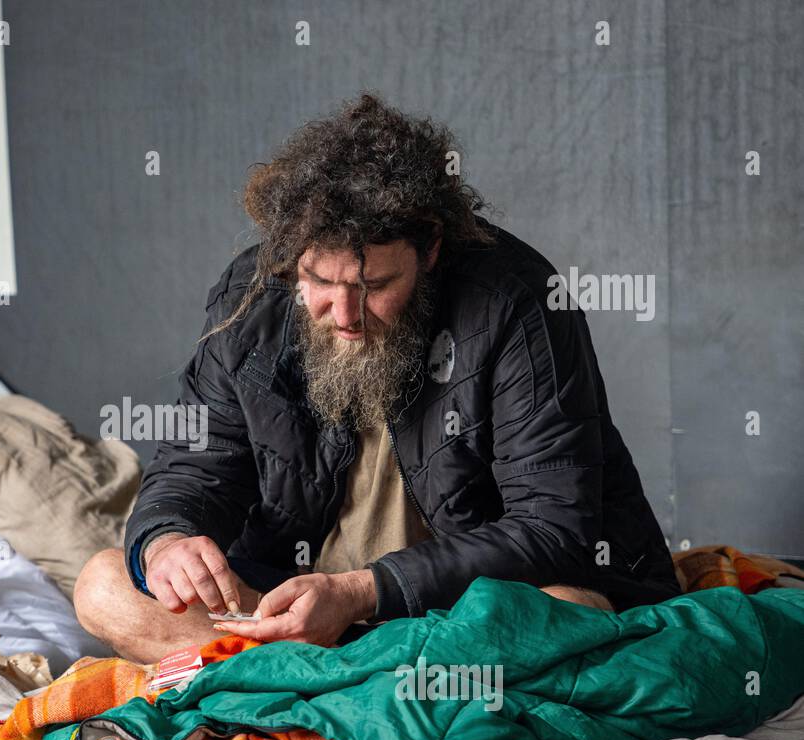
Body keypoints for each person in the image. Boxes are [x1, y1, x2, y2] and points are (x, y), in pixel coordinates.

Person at [74, 92, 679, 663]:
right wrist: (168, 540)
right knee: (103, 586)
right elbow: (194, 464)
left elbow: (553, 527)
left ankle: (305, 678)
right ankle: (354, 679)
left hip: (457, 612)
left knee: (561, 613)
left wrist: (364, 592)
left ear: (432, 250)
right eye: (318, 281)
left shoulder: (517, 300)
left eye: (374, 286)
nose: (343, 314)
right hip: (293, 608)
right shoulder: (249, 297)